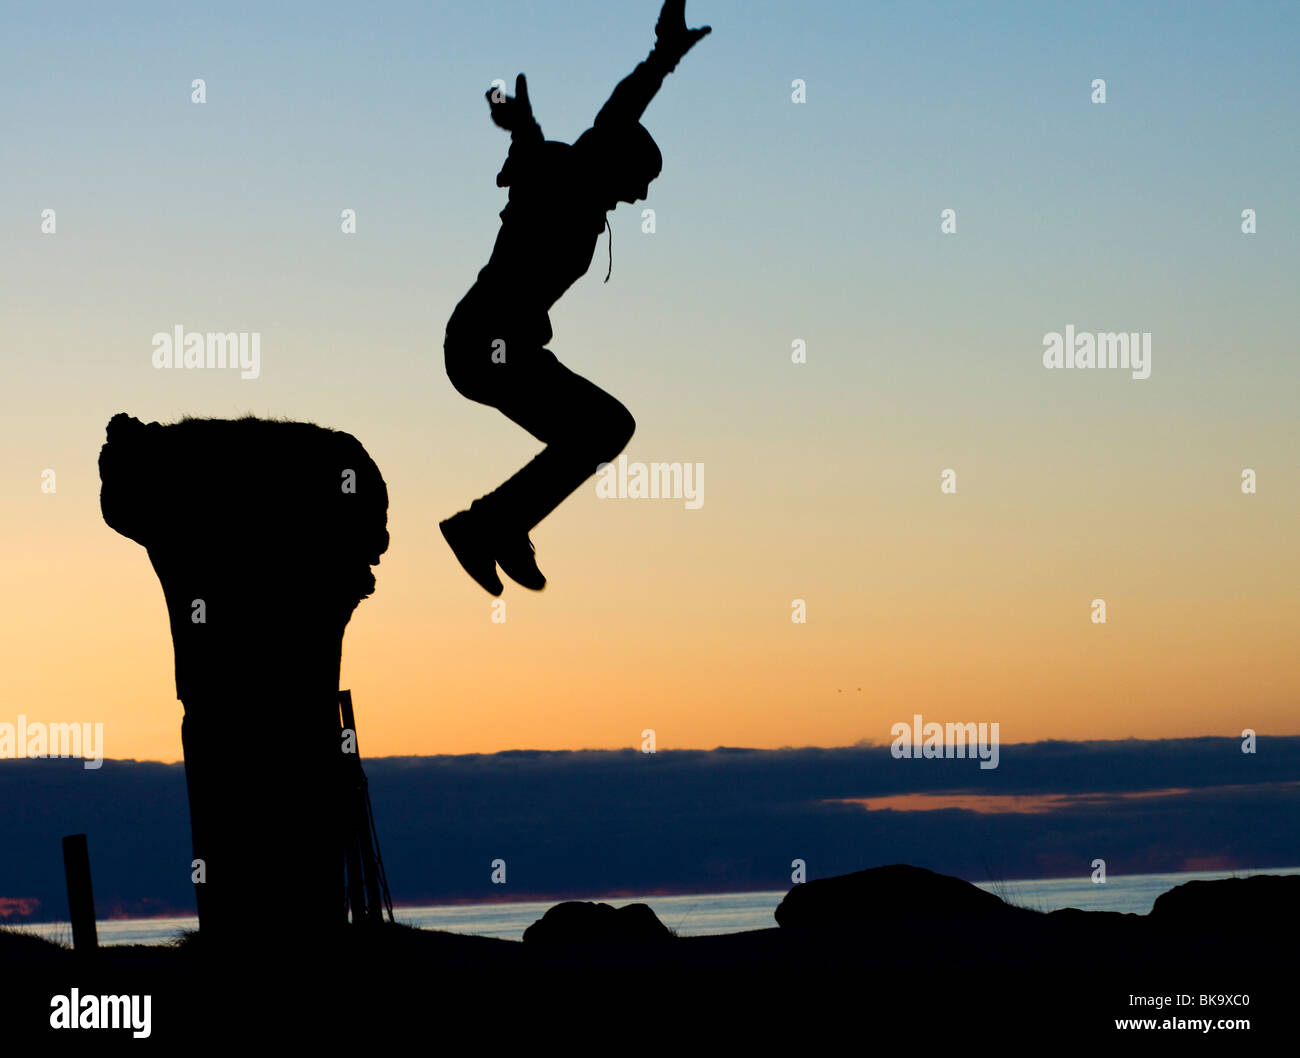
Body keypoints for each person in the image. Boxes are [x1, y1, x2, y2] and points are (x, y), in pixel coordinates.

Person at [440, 1, 711, 596]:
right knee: (605, 427)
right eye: (641, 181)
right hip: (486, 342)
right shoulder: (572, 176)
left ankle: (496, 523)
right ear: (616, 163)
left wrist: (525, 130)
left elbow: (556, 145)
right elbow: (618, 114)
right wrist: (662, 57)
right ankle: (489, 524)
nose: (640, 198)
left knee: (596, 432)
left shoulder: (574, 189)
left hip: (501, 347)